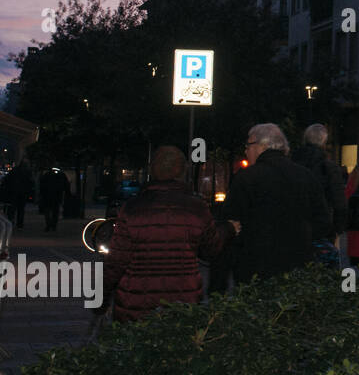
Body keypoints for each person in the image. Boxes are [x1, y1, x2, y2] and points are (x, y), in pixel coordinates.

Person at [98, 146, 235, 323]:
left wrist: (101, 300)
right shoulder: (197, 208)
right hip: (182, 305)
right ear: (183, 172)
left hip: (136, 307)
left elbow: (115, 263)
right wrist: (228, 229)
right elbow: (211, 249)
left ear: (152, 171)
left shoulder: (131, 209)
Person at [224, 123, 331, 284]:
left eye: (248, 145)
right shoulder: (306, 176)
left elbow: (229, 224)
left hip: (254, 268)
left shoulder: (246, 178)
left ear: (262, 145)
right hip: (297, 267)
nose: (246, 151)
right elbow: (323, 221)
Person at [292, 123, 349, 264]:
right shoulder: (328, 167)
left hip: (295, 227)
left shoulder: (292, 164)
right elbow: (339, 202)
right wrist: (338, 229)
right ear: (324, 141)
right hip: (323, 228)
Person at [0, 160, 33, 233]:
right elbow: (30, 183)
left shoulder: (14, 171)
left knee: (12, 209)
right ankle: (19, 224)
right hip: (21, 193)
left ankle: (12, 221)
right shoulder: (27, 172)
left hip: (14, 193)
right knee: (20, 209)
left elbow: (6, 181)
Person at [38, 167, 68, 234]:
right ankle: (53, 225)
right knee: (55, 212)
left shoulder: (47, 175)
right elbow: (65, 185)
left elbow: (42, 185)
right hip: (57, 196)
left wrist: (42, 194)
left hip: (47, 196)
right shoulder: (61, 174)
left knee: (48, 211)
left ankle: (48, 225)